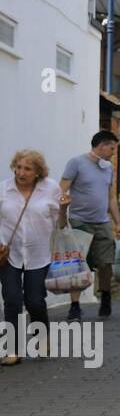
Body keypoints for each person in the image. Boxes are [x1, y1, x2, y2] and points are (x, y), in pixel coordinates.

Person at [0, 150, 68, 365]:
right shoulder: (4, 189)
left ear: (38, 172)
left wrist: (64, 209)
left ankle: (43, 338)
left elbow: (61, 226)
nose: (21, 172)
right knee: (11, 299)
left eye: (27, 169)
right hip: (9, 254)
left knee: (35, 301)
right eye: (18, 167)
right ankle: (13, 350)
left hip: (40, 254)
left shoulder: (50, 189)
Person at [60, 130, 120, 320]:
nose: (113, 152)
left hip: (102, 223)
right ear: (102, 145)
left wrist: (118, 223)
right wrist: (61, 213)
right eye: (112, 148)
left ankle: (105, 295)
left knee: (106, 263)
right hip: (80, 221)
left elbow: (111, 197)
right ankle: (74, 306)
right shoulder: (76, 163)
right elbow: (61, 189)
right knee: (78, 264)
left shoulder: (108, 168)